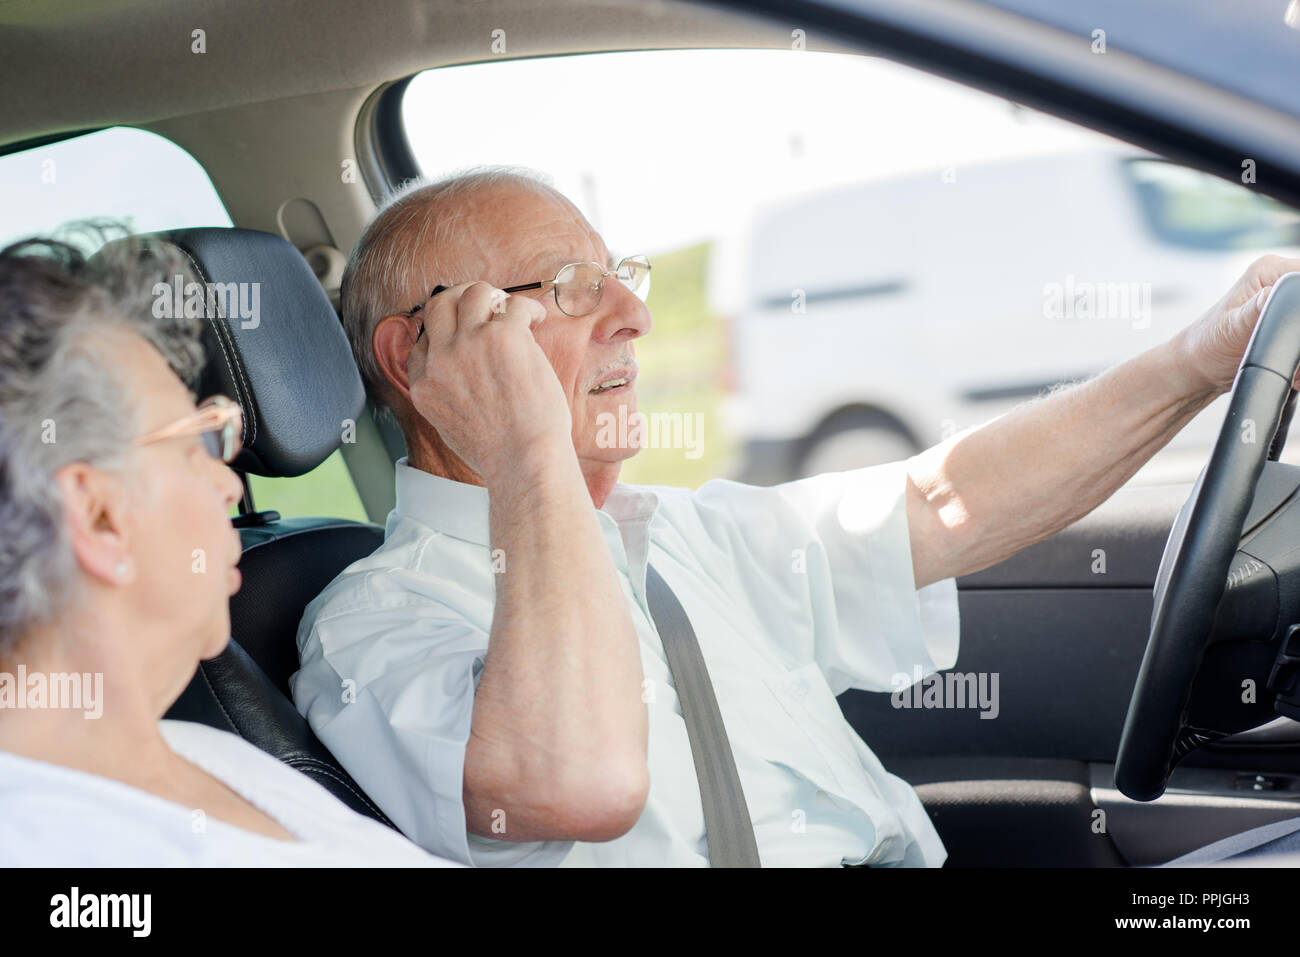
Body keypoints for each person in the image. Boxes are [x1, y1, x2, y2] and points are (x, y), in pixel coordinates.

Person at [293, 166, 1300, 867]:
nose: (633, 318)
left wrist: (1198, 359)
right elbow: (576, 783)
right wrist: (525, 450)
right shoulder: (373, 622)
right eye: (567, 288)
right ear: (416, 354)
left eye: (620, 279)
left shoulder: (679, 532)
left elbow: (948, 500)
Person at [0, 228, 457, 867]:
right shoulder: (46, 845)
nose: (225, 480)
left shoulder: (205, 753)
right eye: (201, 441)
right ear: (99, 516)